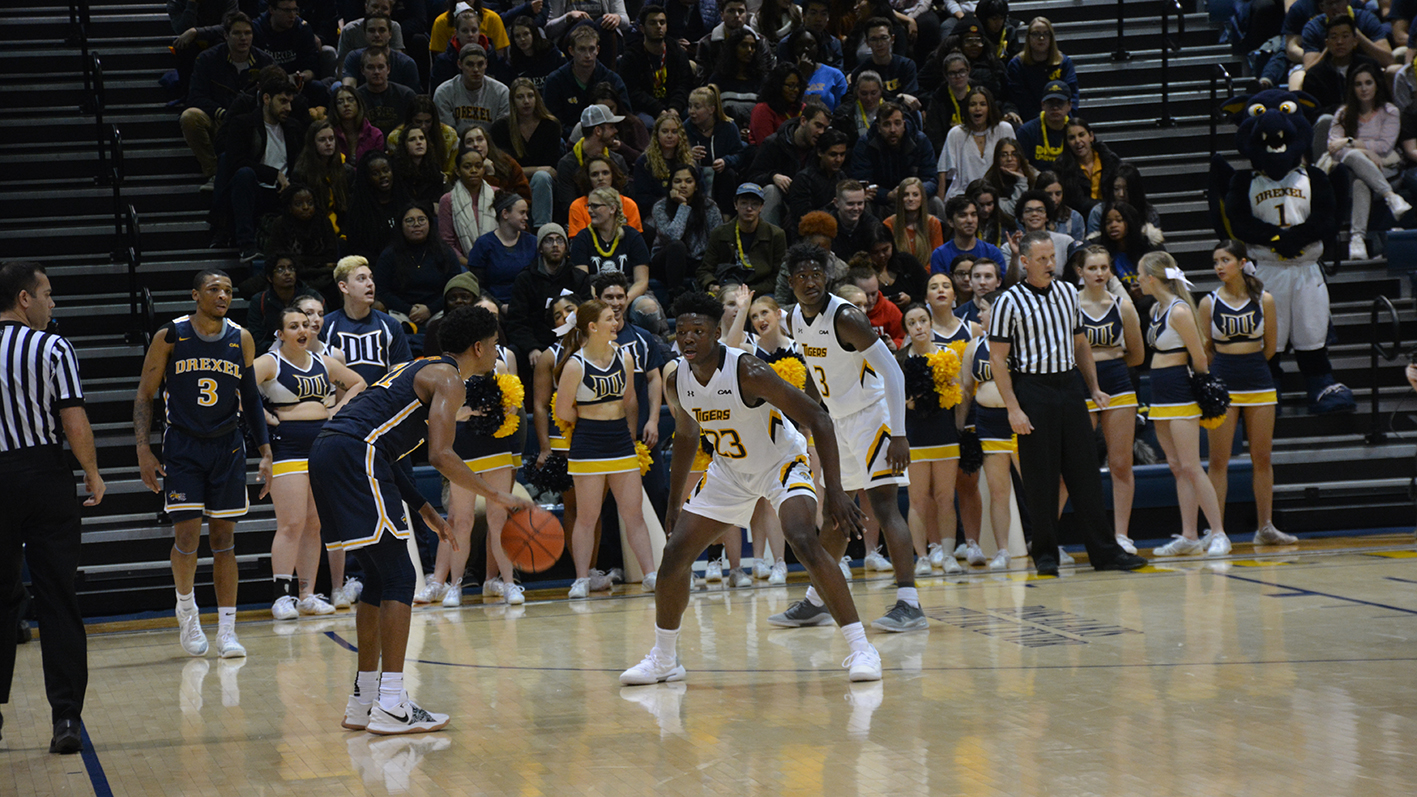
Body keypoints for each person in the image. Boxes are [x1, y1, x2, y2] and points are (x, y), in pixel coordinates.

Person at [619, 291, 883, 686]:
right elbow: (688, 436)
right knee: (674, 555)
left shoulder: (748, 371)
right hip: (729, 472)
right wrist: (675, 503)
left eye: (699, 331)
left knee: (801, 538)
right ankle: (664, 659)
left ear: (717, 333)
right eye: (683, 332)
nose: (689, 339)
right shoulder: (678, 380)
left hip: (781, 463)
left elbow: (819, 419)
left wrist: (838, 491)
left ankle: (862, 648)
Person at [313, 305, 530, 735]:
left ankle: (364, 701)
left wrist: (426, 509)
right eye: (494, 342)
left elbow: (387, 447)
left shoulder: (416, 366)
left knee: (378, 578)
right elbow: (441, 455)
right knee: (399, 578)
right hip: (359, 455)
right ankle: (392, 702)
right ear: (479, 347)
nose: (495, 350)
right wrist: (494, 493)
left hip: (330, 450)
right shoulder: (450, 379)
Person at [777, 242, 928, 632]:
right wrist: (805, 414)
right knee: (835, 514)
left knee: (883, 506)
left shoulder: (845, 317)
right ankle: (818, 600)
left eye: (816, 274)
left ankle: (909, 603)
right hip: (837, 422)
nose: (810, 282)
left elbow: (893, 372)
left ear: (827, 277)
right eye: (802, 276)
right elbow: (815, 371)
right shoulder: (794, 319)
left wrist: (898, 433)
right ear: (790, 282)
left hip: (872, 416)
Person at [986, 231, 1148, 576]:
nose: (1050, 264)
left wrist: (1093, 387)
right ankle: (1045, 553)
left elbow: (1081, 344)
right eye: (1042, 259)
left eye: (1052, 258)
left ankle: (1105, 552)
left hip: (1069, 387)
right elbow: (998, 360)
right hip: (1031, 389)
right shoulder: (1008, 302)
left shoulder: (1066, 293)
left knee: (1086, 472)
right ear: (1025, 261)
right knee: (1040, 476)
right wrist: (1013, 407)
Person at [133, 270, 274, 659]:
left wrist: (264, 450)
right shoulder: (171, 336)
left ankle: (227, 630)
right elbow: (145, 395)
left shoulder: (241, 337)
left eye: (228, 289)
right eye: (214, 289)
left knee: (224, 541)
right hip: (182, 446)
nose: (223, 295)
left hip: (227, 447)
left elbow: (250, 396)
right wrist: (144, 450)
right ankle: (186, 610)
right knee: (187, 538)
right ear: (195, 295)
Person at [0, 262, 104, 755]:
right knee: (58, 596)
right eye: (47, 294)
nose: (52, 303)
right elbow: (72, 418)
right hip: (42, 474)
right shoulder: (52, 346)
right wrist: (91, 470)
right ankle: (66, 718)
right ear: (24, 299)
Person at [256, 307, 366, 619]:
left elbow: (358, 383)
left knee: (314, 523)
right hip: (287, 445)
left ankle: (306, 594)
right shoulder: (270, 362)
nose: (303, 330)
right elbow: (238, 386)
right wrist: (263, 416)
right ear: (280, 334)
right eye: (294, 326)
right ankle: (281, 596)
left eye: (306, 324)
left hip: (321, 445)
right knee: (291, 523)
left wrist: (336, 409)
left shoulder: (322, 361)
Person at [553, 299, 659, 597]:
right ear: (592, 326)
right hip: (588, 443)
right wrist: (589, 422)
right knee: (588, 516)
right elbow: (563, 410)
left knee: (633, 514)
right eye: (610, 319)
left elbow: (628, 400)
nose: (616, 323)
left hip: (620, 441)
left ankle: (651, 575)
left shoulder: (624, 358)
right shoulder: (575, 365)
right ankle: (581, 579)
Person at [1201, 241, 1299, 546]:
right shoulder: (1209, 302)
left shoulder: (1264, 300)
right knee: (1219, 460)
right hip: (1223, 383)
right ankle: (1217, 531)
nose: (1219, 266)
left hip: (1258, 381)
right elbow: (1207, 349)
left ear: (1242, 262)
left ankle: (1265, 527)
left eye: (1225, 260)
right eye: (1216, 261)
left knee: (1262, 457)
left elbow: (1271, 348)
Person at [1135, 252, 1232, 558]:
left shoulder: (1179, 312)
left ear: (1152, 278)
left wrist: (1205, 393)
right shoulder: (1155, 309)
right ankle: (1189, 536)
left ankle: (1219, 533)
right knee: (1177, 467)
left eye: (1139, 275)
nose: (1137, 280)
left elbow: (1200, 357)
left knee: (1191, 466)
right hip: (1160, 395)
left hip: (1180, 392)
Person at [1072, 246, 1143, 553]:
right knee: (1074, 466)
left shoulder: (1123, 306)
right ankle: (1062, 539)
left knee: (1120, 464)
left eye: (1104, 267)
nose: (1099, 273)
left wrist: (1109, 363)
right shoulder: (1069, 307)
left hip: (1117, 381)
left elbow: (1138, 354)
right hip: (1078, 384)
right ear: (1079, 271)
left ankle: (1122, 535)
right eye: (1092, 268)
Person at [896, 302, 967, 573]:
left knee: (945, 497)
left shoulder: (948, 355)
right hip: (915, 436)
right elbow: (893, 400)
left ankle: (947, 555)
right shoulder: (900, 359)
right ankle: (922, 557)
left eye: (922, 320)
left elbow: (959, 396)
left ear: (930, 323)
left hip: (945, 434)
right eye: (912, 323)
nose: (918, 326)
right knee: (918, 499)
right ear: (907, 330)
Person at [954, 289, 1017, 569]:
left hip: (1020, 420)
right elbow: (967, 391)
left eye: (984, 309)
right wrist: (959, 428)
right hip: (988, 421)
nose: (979, 315)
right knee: (998, 489)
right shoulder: (974, 345)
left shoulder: (1021, 341)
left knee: (1037, 487)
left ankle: (1047, 541)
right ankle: (1003, 550)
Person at [215, 72, 305, 264]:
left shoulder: (293, 127)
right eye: (282, 101)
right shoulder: (243, 124)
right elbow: (236, 162)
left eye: (290, 102)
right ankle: (246, 246)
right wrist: (275, 175)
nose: (288, 107)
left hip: (284, 194)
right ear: (266, 98)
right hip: (254, 192)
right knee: (244, 175)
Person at [1328, 61, 1412, 261]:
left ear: (1377, 84)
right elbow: (1333, 148)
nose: (1364, 88)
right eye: (1358, 84)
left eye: (1368, 82)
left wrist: (1350, 142)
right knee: (1354, 160)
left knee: (1360, 181)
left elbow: (1384, 147)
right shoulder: (1343, 113)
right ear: (1352, 88)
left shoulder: (1390, 111)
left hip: (1386, 170)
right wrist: (1364, 150)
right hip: (1350, 172)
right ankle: (1391, 197)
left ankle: (1357, 240)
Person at [180, 12, 274, 188]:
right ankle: (214, 172)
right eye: (237, 33)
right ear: (226, 35)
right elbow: (195, 97)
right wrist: (222, 112)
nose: (243, 38)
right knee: (189, 117)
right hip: (220, 120)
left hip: (252, 124)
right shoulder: (207, 59)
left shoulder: (265, 61)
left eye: (247, 33)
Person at [320, 256, 414, 386]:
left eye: (371, 278)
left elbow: (401, 372)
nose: (370, 284)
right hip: (341, 402)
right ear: (344, 287)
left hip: (380, 401)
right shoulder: (326, 325)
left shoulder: (390, 325)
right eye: (362, 279)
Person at [507, 224, 591, 366]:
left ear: (566, 246)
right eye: (548, 240)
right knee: (514, 352)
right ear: (540, 248)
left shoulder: (579, 277)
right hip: (537, 342)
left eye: (559, 240)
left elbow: (587, 314)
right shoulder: (525, 279)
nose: (555, 245)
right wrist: (531, 348)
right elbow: (517, 321)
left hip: (573, 340)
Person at [373, 203, 463, 333]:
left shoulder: (445, 252)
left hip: (438, 310)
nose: (416, 224)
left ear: (430, 223)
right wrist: (409, 310)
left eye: (421, 219)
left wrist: (430, 309)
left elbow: (454, 287)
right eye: (409, 221)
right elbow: (382, 290)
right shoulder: (389, 254)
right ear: (401, 226)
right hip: (401, 312)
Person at [747, 100, 833, 228]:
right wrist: (773, 176)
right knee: (771, 191)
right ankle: (769, 242)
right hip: (781, 202)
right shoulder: (774, 143)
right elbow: (752, 178)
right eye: (818, 125)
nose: (821, 132)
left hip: (806, 204)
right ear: (803, 121)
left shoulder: (821, 150)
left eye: (825, 128)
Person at [849, 101, 939, 219]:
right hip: (881, 202)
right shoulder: (865, 144)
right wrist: (887, 195)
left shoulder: (920, 141)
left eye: (897, 123)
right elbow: (863, 183)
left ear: (904, 124)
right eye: (887, 124)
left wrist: (911, 193)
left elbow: (931, 179)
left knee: (936, 203)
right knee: (863, 205)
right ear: (878, 127)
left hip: (914, 198)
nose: (893, 129)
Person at [492, 78, 562, 227]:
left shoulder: (550, 125)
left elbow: (552, 170)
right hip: (512, 184)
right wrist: (536, 169)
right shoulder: (501, 127)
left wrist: (535, 172)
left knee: (541, 177)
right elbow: (504, 169)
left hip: (545, 185)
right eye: (520, 97)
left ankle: (541, 230)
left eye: (530, 96)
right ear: (512, 101)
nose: (526, 101)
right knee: (540, 173)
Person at [698, 183, 788, 297]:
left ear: (762, 207)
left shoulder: (776, 235)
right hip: (726, 288)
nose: (749, 208)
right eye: (744, 203)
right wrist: (712, 285)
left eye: (754, 204)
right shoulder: (720, 233)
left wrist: (749, 292)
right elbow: (705, 270)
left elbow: (778, 276)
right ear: (735, 205)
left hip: (760, 291)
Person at [543, 26, 633, 139]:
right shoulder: (555, 81)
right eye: (582, 49)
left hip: (608, 139)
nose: (588, 55)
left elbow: (625, 117)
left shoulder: (612, 80)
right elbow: (554, 124)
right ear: (571, 51)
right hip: (569, 142)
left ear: (598, 50)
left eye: (591, 49)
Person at [652, 163, 724, 300]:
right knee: (677, 247)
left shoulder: (709, 207)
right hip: (666, 261)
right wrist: (683, 206)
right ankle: (675, 298)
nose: (683, 186)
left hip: (698, 261)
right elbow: (673, 237)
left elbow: (717, 239)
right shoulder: (660, 207)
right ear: (671, 185)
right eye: (677, 181)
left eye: (688, 181)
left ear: (696, 186)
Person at [556, 105, 633, 226]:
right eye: (611, 127)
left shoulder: (618, 161)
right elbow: (569, 207)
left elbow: (625, 201)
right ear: (598, 131)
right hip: (582, 226)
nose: (615, 131)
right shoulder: (567, 165)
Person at [570, 187, 652, 302]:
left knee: (647, 306)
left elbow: (641, 281)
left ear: (612, 209)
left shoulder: (632, 236)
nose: (589, 211)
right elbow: (582, 282)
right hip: (595, 294)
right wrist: (602, 302)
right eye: (588, 206)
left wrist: (623, 301)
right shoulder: (582, 238)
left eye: (595, 206)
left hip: (629, 291)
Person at [938, 86, 1015, 202]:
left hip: (998, 196)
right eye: (973, 104)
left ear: (990, 108)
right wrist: (940, 209)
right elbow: (943, 172)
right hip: (963, 197)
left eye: (983, 104)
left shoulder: (1004, 129)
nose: (977, 108)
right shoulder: (956, 133)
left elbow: (1016, 164)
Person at [620, 5, 694, 122]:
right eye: (653, 23)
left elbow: (685, 84)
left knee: (694, 118)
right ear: (642, 28)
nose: (658, 26)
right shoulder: (632, 56)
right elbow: (633, 92)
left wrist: (674, 108)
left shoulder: (676, 51)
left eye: (662, 22)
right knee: (647, 124)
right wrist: (659, 110)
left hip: (675, 107)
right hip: (646, 109)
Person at [1300, 14, 1381, 112]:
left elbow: (1383, 101)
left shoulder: (1370, 66)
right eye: (1334, 37)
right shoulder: (1314, 75)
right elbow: (1311, 113)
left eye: (1345, 36)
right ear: (1327, 43)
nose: (1339, 42)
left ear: (1355, 41)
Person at [686, 85, 749, 211]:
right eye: (690, 106)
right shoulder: (685, 128)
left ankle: (726, 218)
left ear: (711, 109)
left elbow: (740, 154)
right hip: (696, 177)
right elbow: (676, 156)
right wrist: (688, 154)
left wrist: (725, 161)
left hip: (721, 178)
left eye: (697, 107)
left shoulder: (729, 127)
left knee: (728, 174)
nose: (691, 111)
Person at [1006, 16, 1079, 119]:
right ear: (1028, 37)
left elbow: (1072, 95)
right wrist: (1041, 122)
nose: (1041, 38)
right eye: (1036, 34)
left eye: (1046, 34)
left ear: (1051, 37)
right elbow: (1020, 100)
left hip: (1061, 119)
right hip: (1029, 121)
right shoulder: (1017, 64)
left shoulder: (1064, 62)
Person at [469, 192, 536, 304]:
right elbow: (477, 286)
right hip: (493, 306)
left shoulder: (532, 242)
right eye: (522, 213)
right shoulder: (483, 244)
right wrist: (499, 306)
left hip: (528, 305)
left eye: (526, 213)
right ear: (505, 214)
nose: (526, 217)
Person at [439, 146, 498, 267]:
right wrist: (470, 265)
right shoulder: (447, 200)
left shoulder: (497, 195)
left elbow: (506, 233)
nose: (474, 170)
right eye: (467, 166)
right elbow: (447, 243)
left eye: (478, 166)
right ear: (457, 171)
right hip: (463, 264)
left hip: (497, 260)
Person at [434, 43, 511, 135]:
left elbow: (501, 134)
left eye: (480, 64)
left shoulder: (501, 92)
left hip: (491, 146)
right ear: (460, 64)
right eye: (470, 64)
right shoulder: (444, 92)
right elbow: (448, 135)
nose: (476, 69)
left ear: (486, 64)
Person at [632, 113, 695, 221]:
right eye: (665, 131)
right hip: (655, 214)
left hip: (688, 210)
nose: (670, 136)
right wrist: (670, 201)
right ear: (657, 134)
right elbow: (642, 199)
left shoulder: (688, 161)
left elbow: (699, 191)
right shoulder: (644, 163)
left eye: (674, 132)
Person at [787, 127, 852, 232]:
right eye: (833, 154)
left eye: (842, 154)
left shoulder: (841, 176)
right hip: (809, 237)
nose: (839, 160)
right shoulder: (803, 179)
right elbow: (803, 219)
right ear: (820, 153)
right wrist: (834, 206)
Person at [246, 254, 320, 343]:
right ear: (270, 278)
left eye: (291, 268)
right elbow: (257, 339)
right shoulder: (259, 301)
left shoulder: (312, 297)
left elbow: (322, 331)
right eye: (280, 269)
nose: (287, 273)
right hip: (272, 352)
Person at [1053, 117, 1118, 218]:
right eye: (1071, 138)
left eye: (1081, 135)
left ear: (1091, 136)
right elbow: (1075, 201)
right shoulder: (1062, 167)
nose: (1077, 141)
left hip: (1112, 213)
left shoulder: (1111, 160)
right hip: (1080, 217)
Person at [850, 17, 920, 109]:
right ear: (867, 43)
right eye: (874, 39)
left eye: (884, 38)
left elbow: (910, 101)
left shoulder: (906, 65)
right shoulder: (860, 72)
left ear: (892, 39)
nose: (879, 44)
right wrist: (899, 98)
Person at [929, 195, 1008, 275]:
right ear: (950, 222)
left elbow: (1003, 284)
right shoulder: (940, 255)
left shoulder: (992, 252)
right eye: (963, 215)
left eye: (973, 215)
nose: (970, 220)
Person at [1097, 201, 1159, 303]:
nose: (1113, 225)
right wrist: (1128, 295)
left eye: (1119, 220)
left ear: (1130, 221)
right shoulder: (1100, 252)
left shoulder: (1151, 247)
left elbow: (1165, 281)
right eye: (1108, 222)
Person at [707, 28, 769, 124]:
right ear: (733, 48)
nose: (750, 50)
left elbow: (765, 115)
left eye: (753, 46)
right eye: (744, 46)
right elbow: (710, 112)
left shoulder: (761, 79)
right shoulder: (718, 79)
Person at [343, 15, 420, 91]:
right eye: (371, 30)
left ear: (390, 34)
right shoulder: (353, 58)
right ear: (365, 34)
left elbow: (413, 99)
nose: (377, 35)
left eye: (382, 30)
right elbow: (348, 90)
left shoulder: (406, 63)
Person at [1085, 163, 1159, 239]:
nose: (1121, 194)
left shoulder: (1149, 213)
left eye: (1127, 189)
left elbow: (1154, 244)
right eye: (1116, 189)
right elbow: (1094, 245)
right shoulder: (1098, 212)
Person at [462, 124, 531, 205]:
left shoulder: (506, 162)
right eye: (469, 142)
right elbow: (483, 203)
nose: (475, 144)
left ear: (487, 142)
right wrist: (489, 175)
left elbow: (525, 196)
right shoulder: (461, 170)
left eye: (480, 139)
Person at [353, 49, 416, 136]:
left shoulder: (406, 95)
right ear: (362, 70)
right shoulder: (355, 98)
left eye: (381, 67)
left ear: (388, 69)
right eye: (370, 67)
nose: (376, 72)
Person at [883, 176, 943, 267]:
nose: (910, 199)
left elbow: (936, 259)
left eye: (915, 194)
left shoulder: (933, 223)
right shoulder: (888, 224)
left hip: (926, 277)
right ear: (900, 198)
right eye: (906, 195)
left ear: (922, 198)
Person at [1013, 79, 1071, 170]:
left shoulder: (1077, 132)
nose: (1055, 107)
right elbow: (1021, 167)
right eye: (1050, 103)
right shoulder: (1026, 132)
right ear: (1042, 105)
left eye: (1060, 102)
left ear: (1069, 105)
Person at [868, 222, 928, 309]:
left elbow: (927, 292)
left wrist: (911, 300)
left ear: (892, 245)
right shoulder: (863, 272)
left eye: (885, 249)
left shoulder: (907, 262)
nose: (881, 255)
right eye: (875, 252)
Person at [787, 28, 849, 111]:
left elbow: (843, 108)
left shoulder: (835, 75)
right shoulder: (785, 76)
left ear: (818, 47)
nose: (806, 49)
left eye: (811, 44)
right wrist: (801, 75)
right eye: (800, 44)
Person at [501, 15, 566, 92]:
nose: (522, 39)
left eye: (526, 34)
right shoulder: (513, 62)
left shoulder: (551, 53)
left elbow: (566, 78)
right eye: (517, 36)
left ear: (533, 34)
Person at [335, 0, 408, 67]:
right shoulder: (350, 30)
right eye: (375, 6)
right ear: (366, 7)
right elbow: (342, 67)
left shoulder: (394, 27)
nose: (379, 11)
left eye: (384, 8)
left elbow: (398, 62)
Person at [924, 53, 975, 146]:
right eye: (952, 73)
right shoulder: (938, 99)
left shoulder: (979, 93)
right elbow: (934, 136)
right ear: (945, 75)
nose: (958, 76)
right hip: (949, 148)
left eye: (962, 71)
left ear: (969, 70)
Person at [390, 125, 448, 206]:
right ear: (404, 145)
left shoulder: (434, 168)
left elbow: (438, 200)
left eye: (422, 138)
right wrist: (430, 206)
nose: (418, 142)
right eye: (412, 139)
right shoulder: (395, 169)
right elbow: (402, 202)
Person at [1014, 189, 1074, 265]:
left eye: (1040, 210)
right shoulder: (1011, 246)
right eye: (1028, 211)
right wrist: (1014, 255)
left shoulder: (1065, 242)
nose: (1034, 214)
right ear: (1021, 217)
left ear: (1047, 216)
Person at [328, 85, 385, 163]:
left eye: (350, 100)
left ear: (358, 103)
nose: (346, 104)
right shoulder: (329, 135)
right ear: (335, 108)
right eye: (340, 102)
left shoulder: (375, 135)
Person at [981, 137, 1036, 216]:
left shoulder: (1033, 175)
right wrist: (1022, 182)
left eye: (1014, 154)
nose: (1009, 159)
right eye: (1004, 155)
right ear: (997, 159)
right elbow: (1011, 211)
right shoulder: (989, 183)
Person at [832, 70, 884, 148]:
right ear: (857, 92)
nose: (869, 98)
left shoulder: (894, 110)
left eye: (873, 93)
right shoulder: (843, 116)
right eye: (864, 93)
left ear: (881, 90)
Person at [1036, 168, 1086, 243]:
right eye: (1048, 194)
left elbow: (1078, 250)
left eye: (1058, 194)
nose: (1053, 199)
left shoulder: (1075, 218)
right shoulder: (1028, 218)